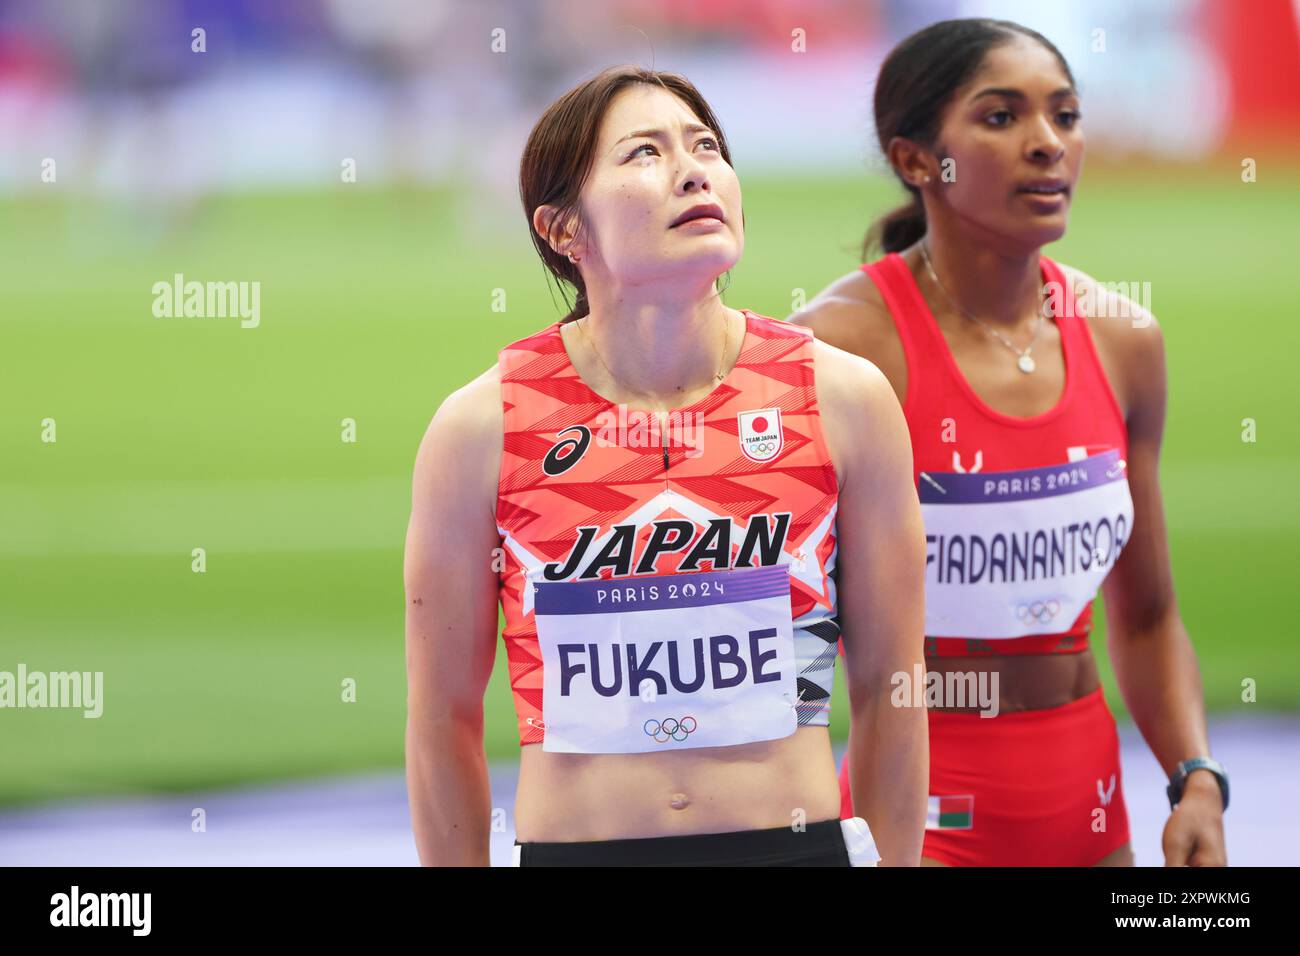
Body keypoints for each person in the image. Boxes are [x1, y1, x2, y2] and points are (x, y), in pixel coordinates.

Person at [404, 66, 927, 866]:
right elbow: (443, 719)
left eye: (707, 146)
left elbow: (894, 687)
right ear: (562, 229)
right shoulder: (482, 427)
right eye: (644, 153)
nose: (694, 171)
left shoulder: (842, 397)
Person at [792, 18, 1227, 867]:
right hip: (918, 819)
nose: (1047, 145)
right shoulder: (842, 350)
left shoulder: (1123, 338)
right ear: (917, 159)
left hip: (1092, 814)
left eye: (1064, 116)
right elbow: (786, 629)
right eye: (1001, 117)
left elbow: (1147, 615)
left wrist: (1197, 782)